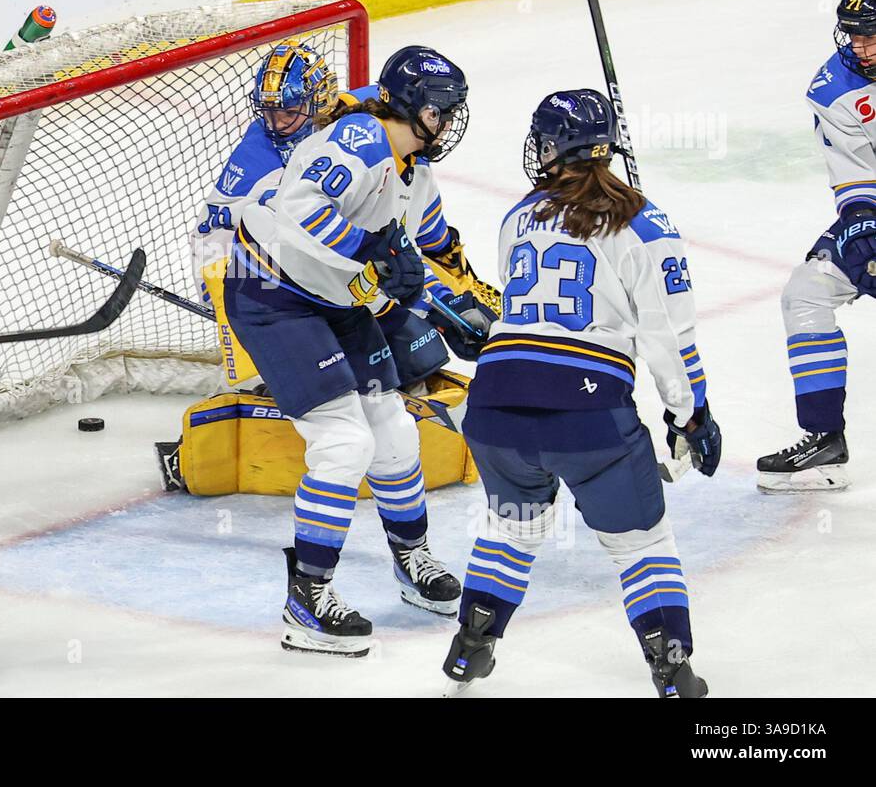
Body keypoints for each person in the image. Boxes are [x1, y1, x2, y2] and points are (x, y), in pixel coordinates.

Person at [443, 89, 720, 697]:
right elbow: (664, 334)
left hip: (495, 402)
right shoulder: (644, 222)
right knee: (642, 545)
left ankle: (471, 646)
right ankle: (671, 671)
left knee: (512, 529)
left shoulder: (517, 214)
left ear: (549, 148)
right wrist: (689, 414)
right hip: (589, 412)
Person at [221, 46, 496, 655]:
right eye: (443, 111)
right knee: (346, 441)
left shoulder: (413, 167)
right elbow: (300, 212)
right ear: (419, 109)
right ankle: (306, 599)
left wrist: (471, 298)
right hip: (272, 294)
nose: (449, 123)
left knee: (393, 428)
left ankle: (412, 559)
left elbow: (430, 242)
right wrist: (369, 256)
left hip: (339, 298)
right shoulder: (359, 142)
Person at [193, 40, 499, 388]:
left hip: (336, 269)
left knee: (418, 359)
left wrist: (447, 294)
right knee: (294, 370)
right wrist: (222, 301)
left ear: (322, 100)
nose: (277, 123)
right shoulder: (258, 161)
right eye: (270, 112)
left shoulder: (372, 116)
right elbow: (215, 237)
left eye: (289, 112)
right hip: (252, 268)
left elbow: (400, 225)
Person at [757, 0, 876, 493]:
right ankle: (825, 438)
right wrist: (863, 226)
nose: (859, 45)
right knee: (807, 293)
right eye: (852, 32)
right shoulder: (836, 88)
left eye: (870, 33)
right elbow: (856, 178)